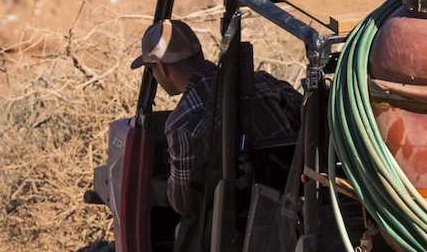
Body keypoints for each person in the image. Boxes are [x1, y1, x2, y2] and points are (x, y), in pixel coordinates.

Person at [129, 18, 303, 212]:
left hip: (246, 217)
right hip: (296, 194)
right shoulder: (261, 81)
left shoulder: (182, 122)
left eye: (150, 69)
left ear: (162, 67)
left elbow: (184, 202)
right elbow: (301, 119)